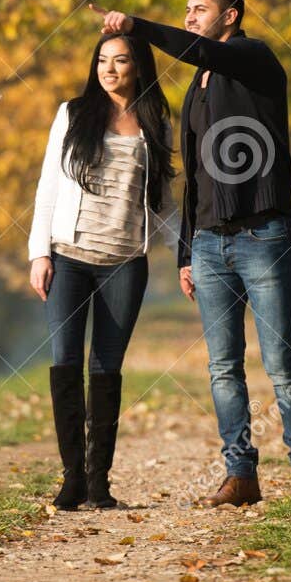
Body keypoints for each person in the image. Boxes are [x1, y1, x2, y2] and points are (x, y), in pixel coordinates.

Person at [92, 0, 291, 505]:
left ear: (230, 16)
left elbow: (196, 48)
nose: (191, 16)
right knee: (222, 366)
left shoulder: (254, 59)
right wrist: (187, 251)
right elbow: (193, 176)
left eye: (200, 8)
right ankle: (240, 474)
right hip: (211, 245)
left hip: (263, 234)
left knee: (280, 357)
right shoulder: (196, 89)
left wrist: (137, 27)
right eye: (187, 9)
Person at [28, 31, 175, 509]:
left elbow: (163, 199)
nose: (109, 69)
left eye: (121, 61)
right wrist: (39, 253)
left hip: (125, 263)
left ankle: (99, 483)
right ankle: (72, 478)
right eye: (102, 61)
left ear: (139, 67)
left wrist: (186, 253)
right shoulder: (73, 113)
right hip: (68, 256)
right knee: (65, 362)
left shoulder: (155, 119)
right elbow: (48, 186)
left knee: (107, 369)